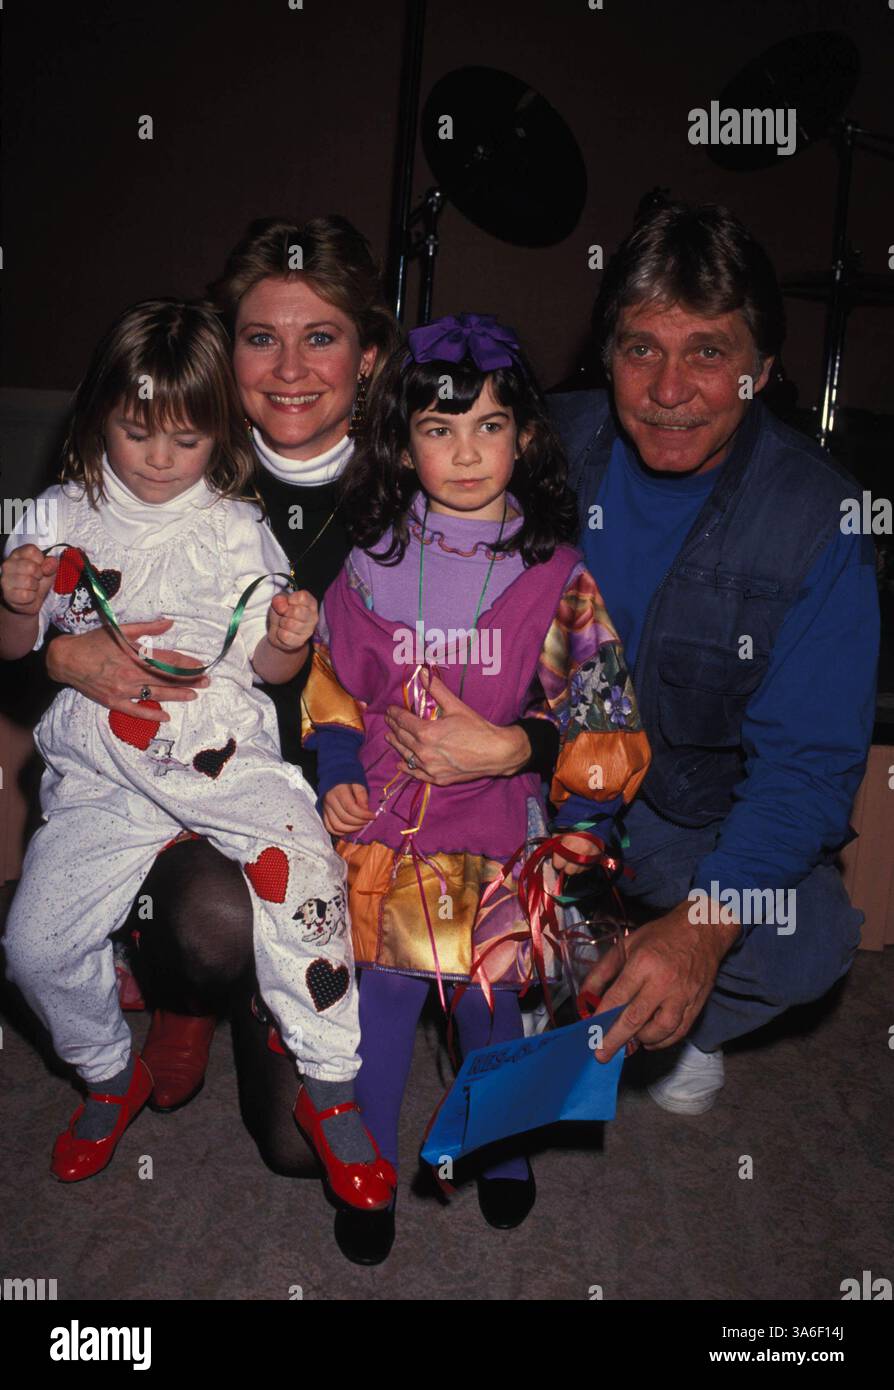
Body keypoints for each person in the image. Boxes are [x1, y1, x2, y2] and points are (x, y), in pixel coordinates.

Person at [37, 218, 554, 1177]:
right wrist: (62, 655)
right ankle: (190, 988)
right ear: (219, 348)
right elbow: (37, 589)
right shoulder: (165, 454)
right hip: (171, 781)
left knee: (293, 1151)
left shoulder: (430, 465)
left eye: (320, 336)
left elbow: (546, 621)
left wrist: (522, 748)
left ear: (368, 358)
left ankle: (271, 1003)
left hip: (360, 814)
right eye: (259, 337)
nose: (287, 368)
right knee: (210, 927)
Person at [387, 202, 879, 1116]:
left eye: (709, 352)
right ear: (605, 353)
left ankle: (673, 1014)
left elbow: (808, 770)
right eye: (641, 349)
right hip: (518, 774)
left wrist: (700, 929)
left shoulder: (821, 519)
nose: (668, 389)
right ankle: (533, 964)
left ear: (762, 371)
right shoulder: (532, 441)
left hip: (677, 816)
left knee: (805, 939)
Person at [0, 299, 395, 1211]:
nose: (157, 460)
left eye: (184, 441)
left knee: (306, 864)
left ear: (217, 434)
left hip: (220, 750)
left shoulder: (231, 523)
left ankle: (329, 1089)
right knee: (31, 943)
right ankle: (109, 1073)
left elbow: (266, 664)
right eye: (137, 432)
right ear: (99, 411)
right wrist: (20, 601)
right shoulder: (59, 512)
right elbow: (13, 647)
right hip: (105, 766)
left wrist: (292, 636)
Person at [301, 313, 651, 1261]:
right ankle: (365, 1170)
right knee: (376, 1010)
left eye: (489, 427)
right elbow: (330, 686)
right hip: (381, 828)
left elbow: (606, 722)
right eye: (438, 430)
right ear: (402, 443)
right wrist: (335, 769)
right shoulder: (367, 567)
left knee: (488, 1007)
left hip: (496, 835)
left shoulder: (558, 574)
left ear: (525, 436)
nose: (465, 453)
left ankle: (500, 1147)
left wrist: (527, 754)